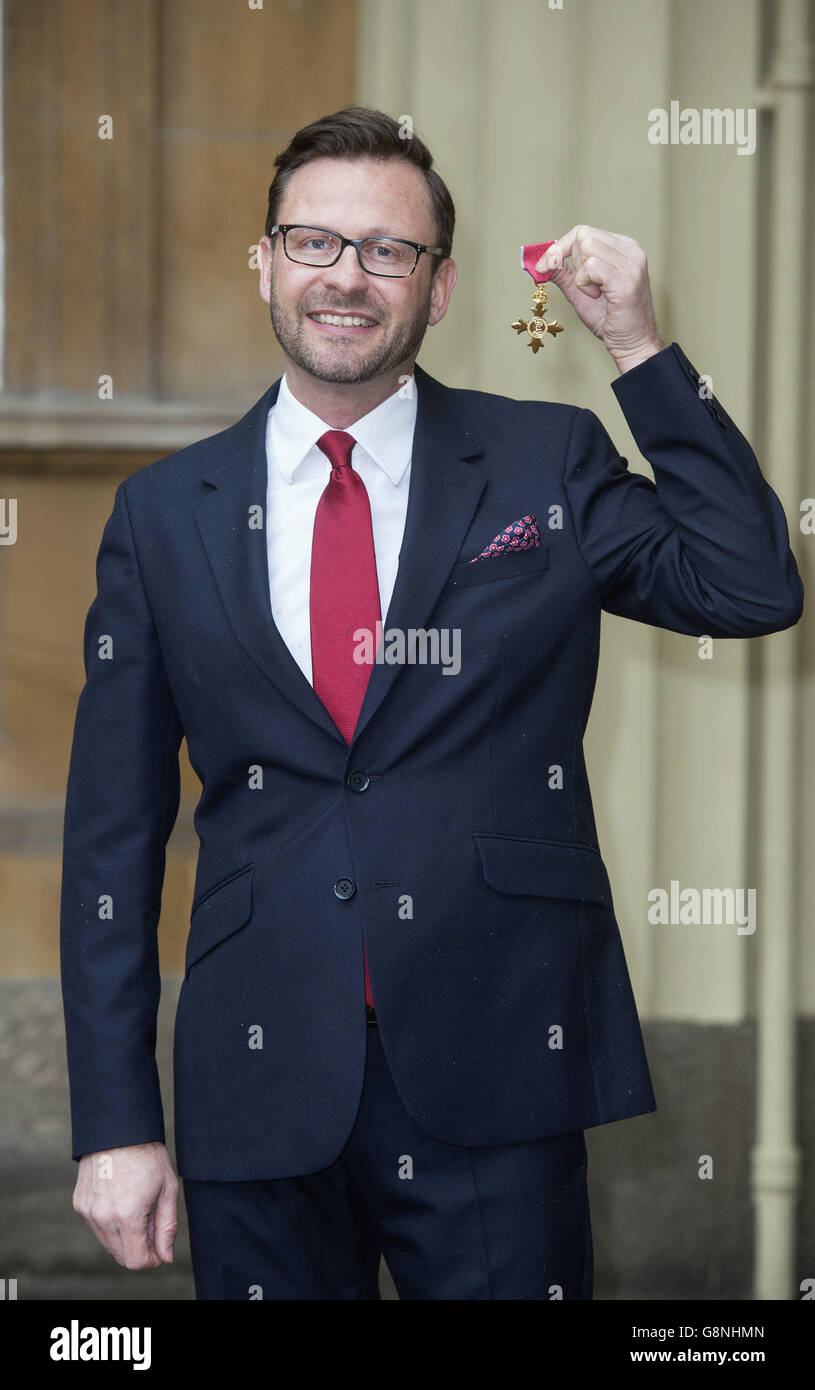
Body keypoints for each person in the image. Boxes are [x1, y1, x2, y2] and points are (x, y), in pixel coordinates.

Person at [61, 105, 803, 1300]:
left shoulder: (541, 463)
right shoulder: (161, 515)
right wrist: (112, 1121)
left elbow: (749, 583)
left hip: (497, 1062)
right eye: (312, 242)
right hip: (258, 1081)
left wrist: (638, 349)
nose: (345, 278)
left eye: (387, 250)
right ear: (263, 261)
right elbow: (110, 838)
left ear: (439, 286)